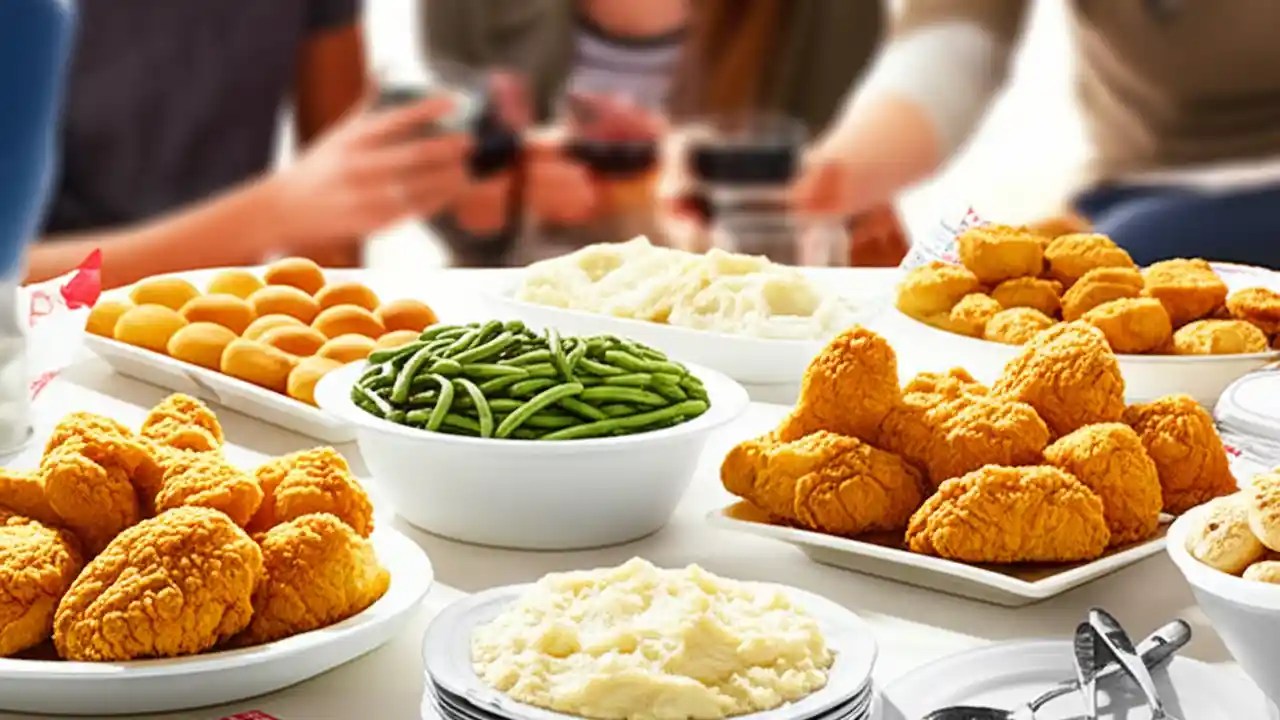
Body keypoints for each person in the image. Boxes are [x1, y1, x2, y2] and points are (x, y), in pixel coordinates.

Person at [421, 0, 905, 266]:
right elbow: (438, 196)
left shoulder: (830, 16)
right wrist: (510, 191)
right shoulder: (474, 12)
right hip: (527, 320)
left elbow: (865, 227)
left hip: (747, 324)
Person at [803, 0, 1280, 268]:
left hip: (1190, 214)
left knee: (1129, 247)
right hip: (1130, 198)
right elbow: (951, 45)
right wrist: (835, 175)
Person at [29, 2, 473, 289]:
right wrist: (273, 213)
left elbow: (335, 230)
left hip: (218, 327)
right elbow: (15, 277)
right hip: (41, 350)